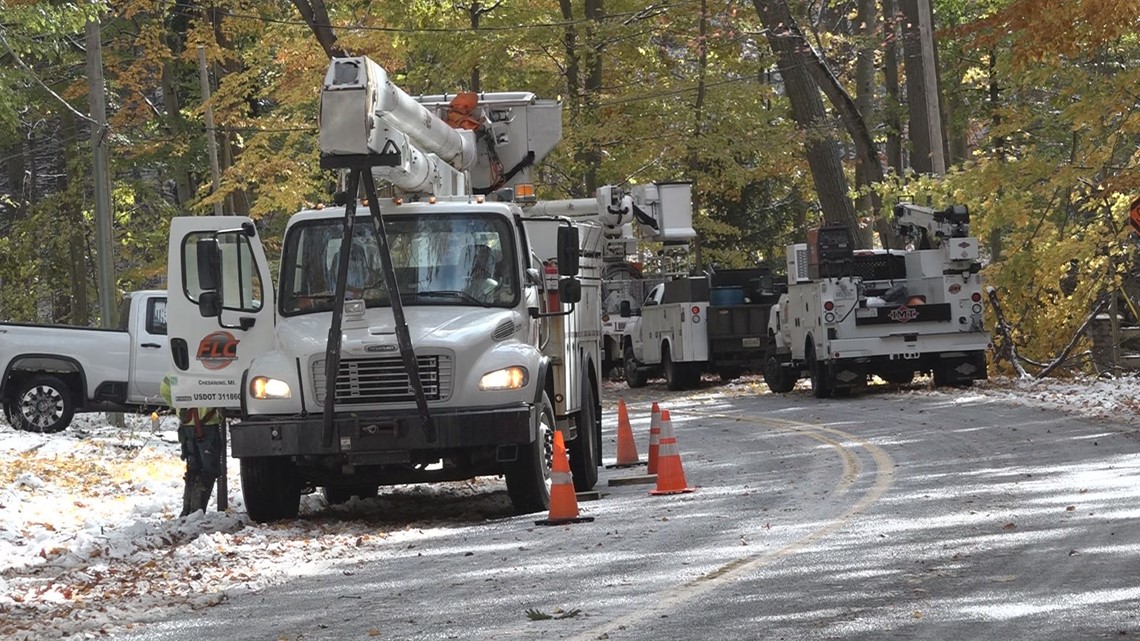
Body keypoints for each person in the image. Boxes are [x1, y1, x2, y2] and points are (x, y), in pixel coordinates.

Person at [160, 373, 225, 517]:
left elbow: (164, 389)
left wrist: (177, 405)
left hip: (187, 426)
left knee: (193, 469)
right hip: (207, 425)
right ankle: (196, 511)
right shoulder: (210, 369)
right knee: (208, 470)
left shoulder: (178, 369)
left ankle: (188, 511)